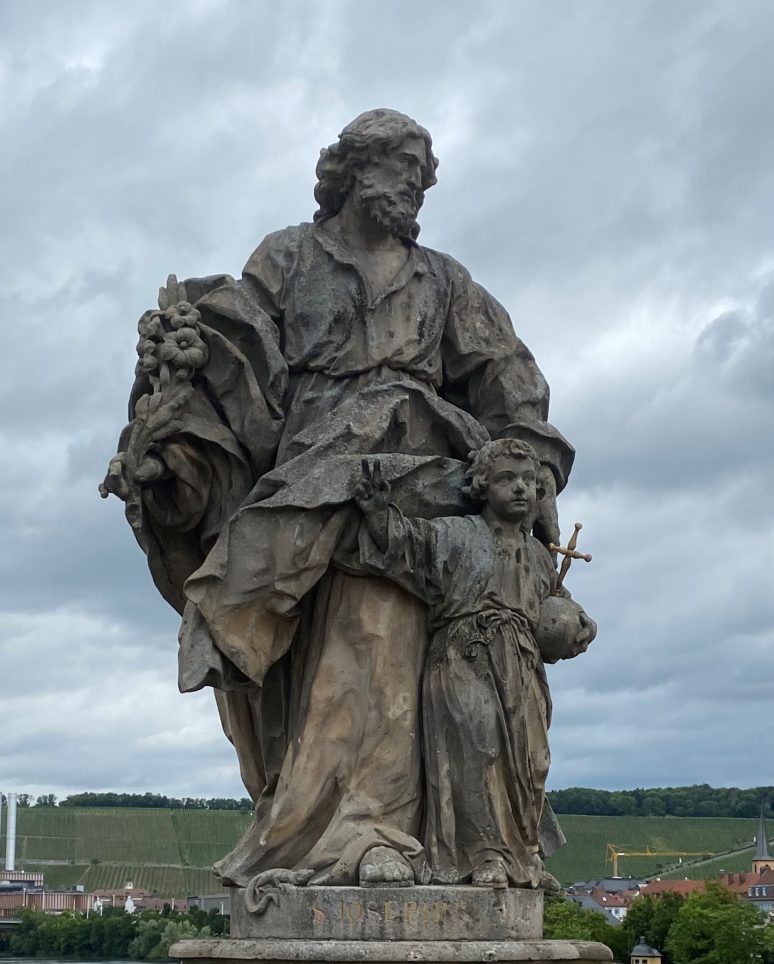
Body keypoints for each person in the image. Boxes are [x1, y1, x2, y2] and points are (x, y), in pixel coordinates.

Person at [102, 110, 575, 886]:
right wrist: (172, 426)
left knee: (382, 622)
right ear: (355, 170)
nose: (419, 188)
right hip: (307, 475)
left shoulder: (446, 281)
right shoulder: (289, 256)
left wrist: (531, 470)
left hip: (419, 477)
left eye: (425, 177)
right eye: (406, 170)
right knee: (291, 656)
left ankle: (376, 831)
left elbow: (511, 384)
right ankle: (321, 817)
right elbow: (232, 364)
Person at [354, 442, 596, 888]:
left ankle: (522, 857)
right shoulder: (456, 534)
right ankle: (482, 856)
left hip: (523, 668)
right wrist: (377, 514)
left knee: (530, 761)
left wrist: (579, 627)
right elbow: (408, 545)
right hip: (464, 655)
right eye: (507, 479)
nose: (521, 488)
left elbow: (552, 615)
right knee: (475, 748)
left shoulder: (542, 556)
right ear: (482, 486)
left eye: (529, 481)